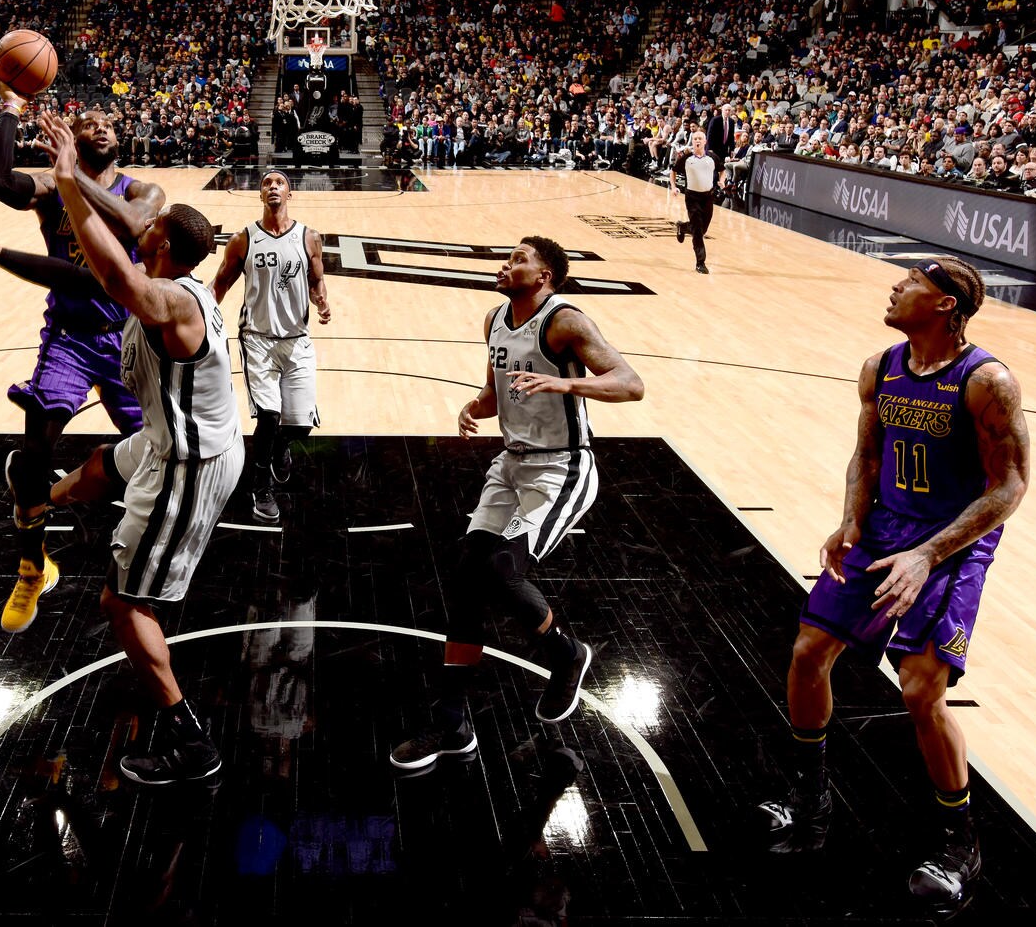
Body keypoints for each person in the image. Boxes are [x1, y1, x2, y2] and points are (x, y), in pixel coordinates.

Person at [758, 257, 1029, 915]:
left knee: (919, 690)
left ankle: (959, 839)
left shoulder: (988, 382)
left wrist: (927, 554)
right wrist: (851, 518)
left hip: (951, 542)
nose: (895, 285)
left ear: (943, 305)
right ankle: (811, 793)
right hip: (884, 526)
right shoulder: (882, 365)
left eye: (911, 281)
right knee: (807, 653)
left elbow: (1010, 485)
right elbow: (868, 453)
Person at [30, 110, 243, 784]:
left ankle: (192, 742)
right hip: (165, 439)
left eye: (144, 225)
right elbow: (109, 274)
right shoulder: (174, 290)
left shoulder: (170, 298)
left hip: (191, 462)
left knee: (123, 605)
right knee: (99, 465)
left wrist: (67, 181)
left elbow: (117, 279)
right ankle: (45, 504)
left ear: (159, 240)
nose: (136, 225)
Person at [390, 237, 644, 771]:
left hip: (562, 468)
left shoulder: (565, 322)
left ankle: (566, 655)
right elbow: (495, 392)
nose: (506, 265)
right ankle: (453, 723)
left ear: (546, 275)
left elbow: (630, 384)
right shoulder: (495, 319)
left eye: (519, 259)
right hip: (510, 464)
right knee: (464, 574)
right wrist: (473, 406)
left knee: (502, 569)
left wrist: (563, 383)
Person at [0, 89, 163, 633]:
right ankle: (33, 567)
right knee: (36, 452)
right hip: (70, 337)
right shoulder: (49, 189)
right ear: (73, 138)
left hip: (130, 338)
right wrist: (10, 107)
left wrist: (67, 175)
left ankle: (139, 562)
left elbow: (130, 224)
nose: (100, 127)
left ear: (119, 139)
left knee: (159, 453)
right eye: (89, 121)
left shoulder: (143, 189)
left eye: (108, 122)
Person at [209, 170, 331, 523]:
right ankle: (260, 488)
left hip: (297, 341)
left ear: (289, 193)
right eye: (266, 183)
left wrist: (322, 303)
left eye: (279, 183)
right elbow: (219, 284)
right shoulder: (243, 239)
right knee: (268, 416)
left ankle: (281, 448)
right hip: (257, 339)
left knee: (300, 426)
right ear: (260, 195)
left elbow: (317, 280)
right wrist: (201, 318)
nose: (273, 187)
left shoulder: (309, 237)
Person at [674, 129, 716, 274]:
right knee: (698, 231)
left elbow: (722, 169)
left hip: (708, 197)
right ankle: (700, 262)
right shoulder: (686, 158)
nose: (697, 141)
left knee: (703, 229)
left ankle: (683, 227)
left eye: (700, 138)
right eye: (695, 138)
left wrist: (722, 181)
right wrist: (674, 187)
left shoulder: (712, 157)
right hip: (692, 197)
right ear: (693, 141)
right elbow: (673, 170)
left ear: (705, 141)